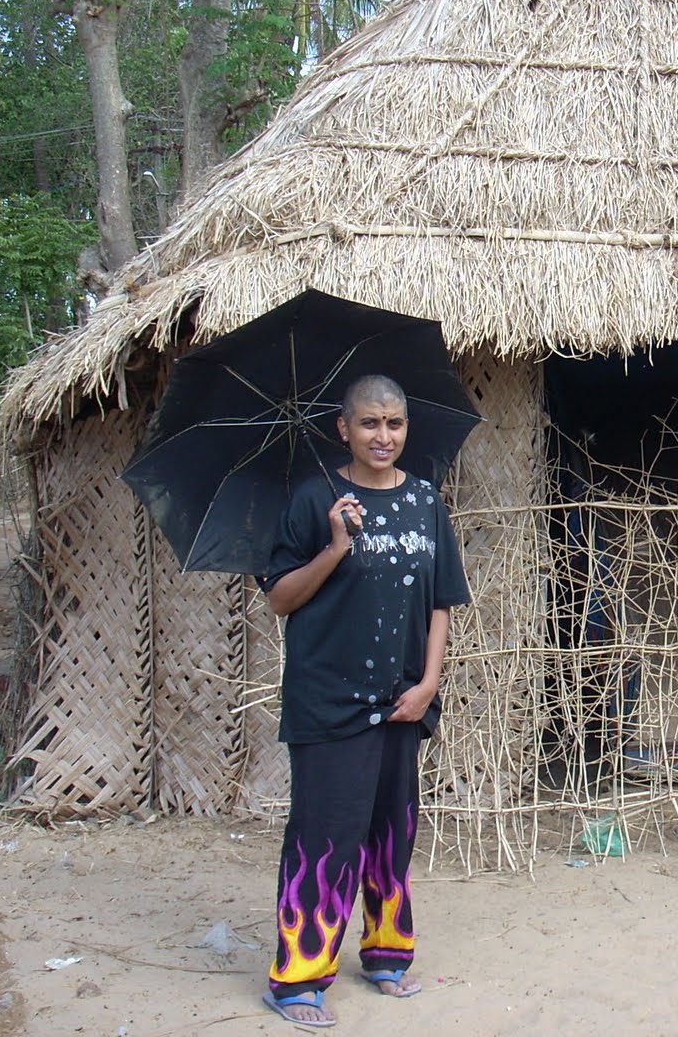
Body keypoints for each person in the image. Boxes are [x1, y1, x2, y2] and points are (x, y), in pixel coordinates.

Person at [257, 374, 470, 1027]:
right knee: (325, 837)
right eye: (370, 424)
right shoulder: (315, 498)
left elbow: (441, 602)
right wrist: (335, 547)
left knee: (390, 837)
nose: (385, 436)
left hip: (402, 699)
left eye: (395, 423)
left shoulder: (426, 503)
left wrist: (429, 682)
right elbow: (279, 597)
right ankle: (297, 977)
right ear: (342, 429)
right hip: (329, 701)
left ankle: (386, 955)